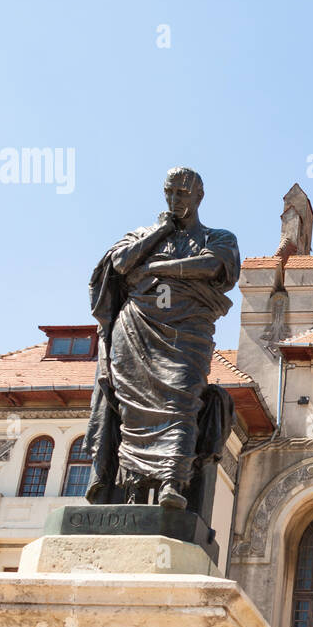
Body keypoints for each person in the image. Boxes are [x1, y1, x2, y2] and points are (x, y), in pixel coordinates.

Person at [85, 167, 240, 509]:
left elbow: (214, 266)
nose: (174, 200)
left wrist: (156, 268)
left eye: (182, 194)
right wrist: (161, 230)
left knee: (182, 399)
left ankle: (173, 481)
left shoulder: (219, 237)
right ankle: (133, 490)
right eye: (169, 193)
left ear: (199, 196)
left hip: (187, 332)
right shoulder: (142, 235)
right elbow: (122, 263)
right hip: (136, 329)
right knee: (131, 408)